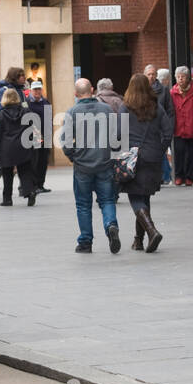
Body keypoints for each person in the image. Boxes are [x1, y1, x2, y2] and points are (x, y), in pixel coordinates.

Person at [61, 78, 120, 253]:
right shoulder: (107, 110)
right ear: (92, 90)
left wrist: (73, 157)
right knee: (107, 200)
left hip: (82, 166)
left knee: (83, 204)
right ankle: (111, 224)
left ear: (75, 94)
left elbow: (65, 143)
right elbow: (117, 137)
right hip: (104, 163)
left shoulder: (72, 112)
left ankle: (86, 241)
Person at [121, 73, 169, 252]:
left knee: (135, 197)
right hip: (153, 157)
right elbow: (168, 130)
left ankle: (152, 230)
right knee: (145, 196)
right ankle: (139, 240)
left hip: (133, 158)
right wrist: (160, 149)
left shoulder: (125, 108)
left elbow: (116, 133)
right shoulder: (156, 106)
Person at [0, 88, 37, 207]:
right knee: (25, 171)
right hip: (23, 146)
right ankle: (29, 192)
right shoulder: (26, 112)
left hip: (6, 148)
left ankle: (7, 199)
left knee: (7, 174)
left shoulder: (1, 115)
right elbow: (31, 130)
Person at [0, 66, 29, 195]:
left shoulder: (22, 91)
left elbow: (25, 107)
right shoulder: (3, 90)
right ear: (15, 77)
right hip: (6, 129)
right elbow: (0, 109)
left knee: (23, 160)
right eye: (22, 75)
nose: (24, 78)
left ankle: (24, 189)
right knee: (1, 162)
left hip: (19, 128)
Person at [169, 66, 193, 185]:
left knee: (191, 154)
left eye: (182, 77)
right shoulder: (172, 93)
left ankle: (189, 177)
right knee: (178, 152)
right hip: (178, 128)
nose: (180, 79)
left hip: (192, 128)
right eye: (178, 77)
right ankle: (179, 176)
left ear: (188, 78)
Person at [27, 80, 52, 192]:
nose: (37, 91)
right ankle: (33, 185)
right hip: (32, 137)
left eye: (39, 89)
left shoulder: (46, 102)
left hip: (45, 136)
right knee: (34, 162)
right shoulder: (27, 103)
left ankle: (40, 185)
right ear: (31, 90)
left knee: (43, 161)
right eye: (35, 89)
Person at [150, 66, 175, 184]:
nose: (151, 76)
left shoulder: (164, 90)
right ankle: (164, 175)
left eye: (153, 74)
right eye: (149, 74)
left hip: (161, 126)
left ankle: (165, 176)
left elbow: (170, 110)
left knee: (161, 150)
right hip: (147, 127)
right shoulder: (142, 89)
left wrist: (169, 126)